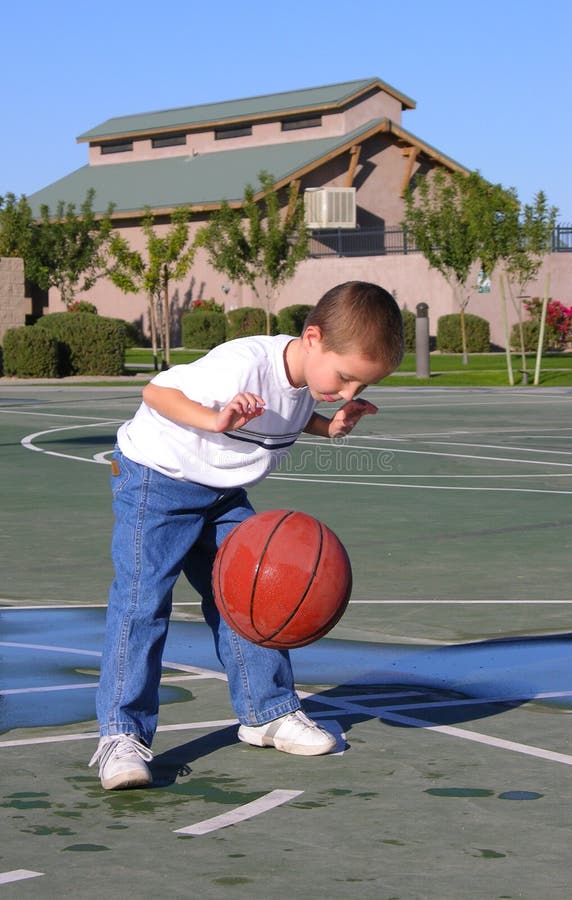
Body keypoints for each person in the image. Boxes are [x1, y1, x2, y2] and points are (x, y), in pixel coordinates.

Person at [90, 281, 404, 790]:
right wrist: (215, 420)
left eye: (360, 388)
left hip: (221, 493)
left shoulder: (307, 381)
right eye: (345, 379)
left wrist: (332, 427)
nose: (348, 392)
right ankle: (121, 736)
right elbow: (156, 392)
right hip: (157, 479)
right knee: (141, 602)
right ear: (313, 337)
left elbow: (288, 416)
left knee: (253, 594)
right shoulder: (244, 363)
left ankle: (268, 713)